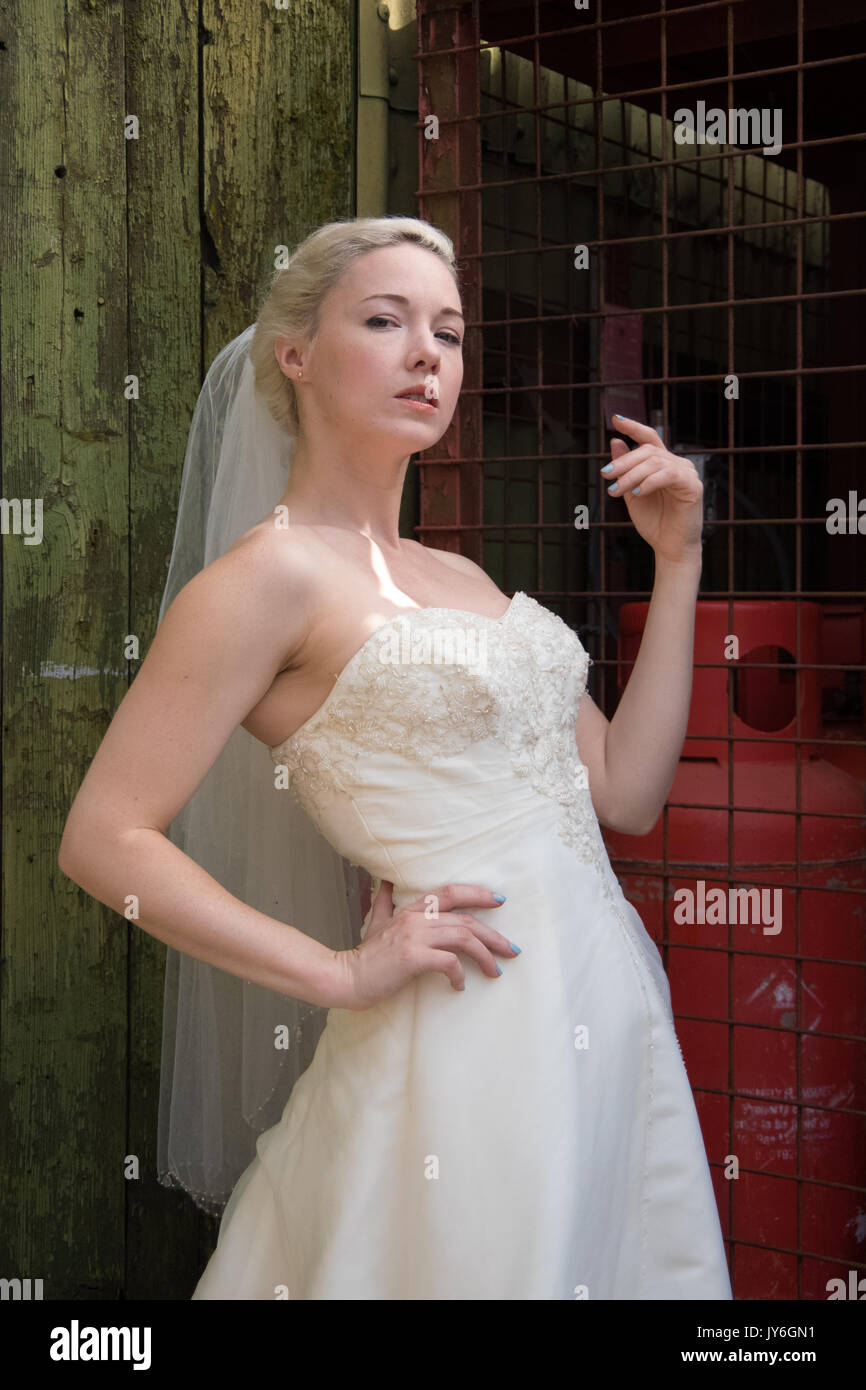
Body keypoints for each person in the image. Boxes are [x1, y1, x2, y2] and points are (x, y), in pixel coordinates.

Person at [58, 216, 732, 1300]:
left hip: (603, 1017)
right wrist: (335, 971)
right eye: (385, 320)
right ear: (295, 353)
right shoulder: (264, 580)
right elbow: (103, 837)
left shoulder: (462, 577)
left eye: (450, 332)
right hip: (456, 1038)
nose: (429, 353)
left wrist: (677, 565)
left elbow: (627, 793)